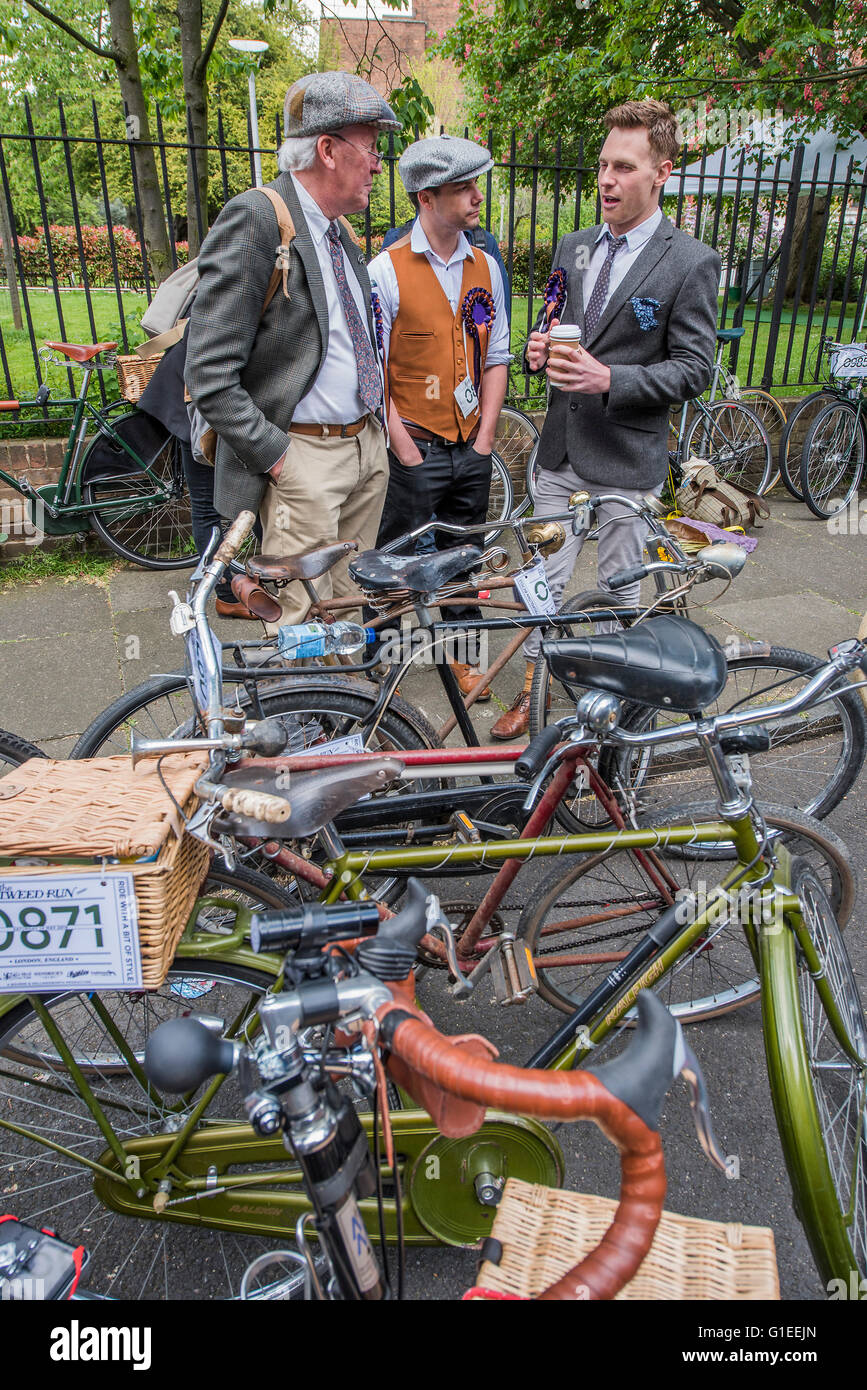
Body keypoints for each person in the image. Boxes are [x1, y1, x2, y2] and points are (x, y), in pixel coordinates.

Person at [492, 99, 721, 739]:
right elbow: (556, 324)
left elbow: (693, 369)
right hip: (560, 452)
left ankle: (613, 712)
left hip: (627, 459)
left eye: (624, 167)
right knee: (540, 586)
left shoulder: (690, 261)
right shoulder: (575, 245)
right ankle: (536, 693)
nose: (606, 180)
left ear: (662, 173)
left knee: (620, 593)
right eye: (602, 165)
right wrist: (540, 350)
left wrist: (610, 379)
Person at [184, 71, 400, 631]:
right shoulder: (259, 217)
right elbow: (208, 372)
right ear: (328, 150)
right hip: (304, 458)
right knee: (301, 623)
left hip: (363, 450)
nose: (379, 164)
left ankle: (343, 714)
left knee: (351, 610)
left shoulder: (339, 233)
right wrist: (281, 459)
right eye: (372, 147)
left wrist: (376, 437)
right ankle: (303, 714)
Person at [368, 135, 511, 697]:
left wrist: (485, 440)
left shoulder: (485, 266)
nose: (478, 198)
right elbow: (372, 374)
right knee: (394, 562)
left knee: (463, 559)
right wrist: (404, 448)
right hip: (415, 444)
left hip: (470, 444)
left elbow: (496, 355)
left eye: (478, 185)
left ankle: (463, 657)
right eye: (464, 188)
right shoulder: (387, 270)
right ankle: (375, 662)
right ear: (426, 198)